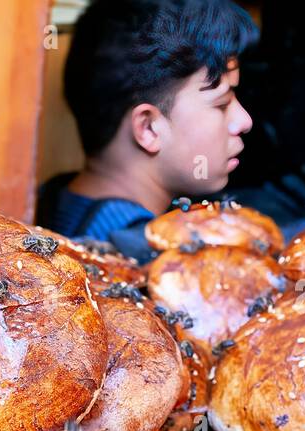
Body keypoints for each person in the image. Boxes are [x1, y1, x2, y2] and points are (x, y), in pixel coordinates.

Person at [37, 0, 259, 262]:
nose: (244, 121)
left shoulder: (52, 199)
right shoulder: (139, 269)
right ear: (149, 128)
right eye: (222, 104)